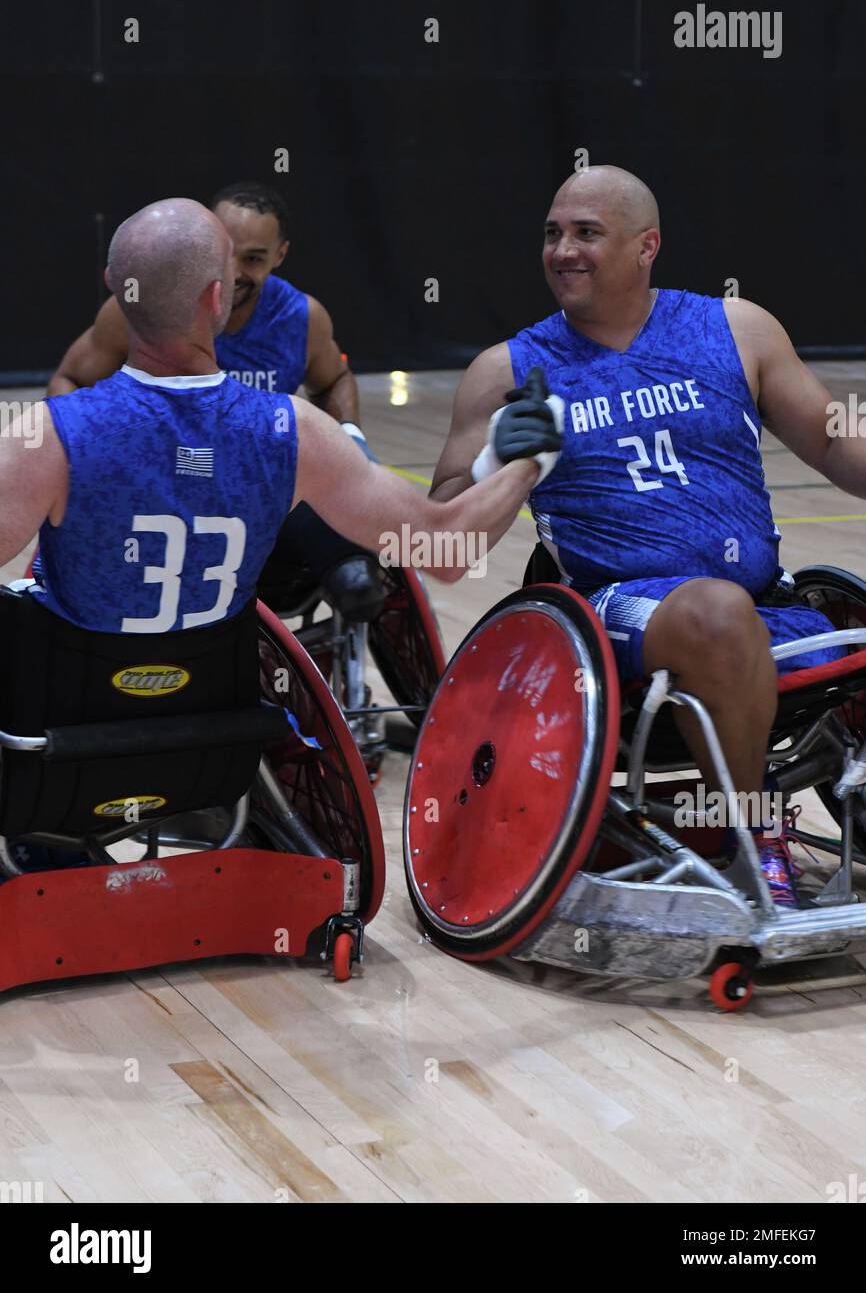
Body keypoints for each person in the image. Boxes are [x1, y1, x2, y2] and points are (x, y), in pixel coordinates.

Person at [429, 164, 857, 907]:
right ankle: (752, 833)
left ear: (646, 246)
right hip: (613, 611)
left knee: (739, 609)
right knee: (716, 613)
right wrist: (507, 464)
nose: (563, 250)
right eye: (553, 234)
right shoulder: (509, 371)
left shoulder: (736, 328)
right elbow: (443, 539)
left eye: (587, 233)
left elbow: (833, 444)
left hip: (761, 601)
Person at [2, 199, 555, 633]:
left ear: (115, 289)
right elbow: (446, 551)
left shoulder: (44, 433)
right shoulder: (295, 429)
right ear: (217, 296)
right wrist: (518, 460)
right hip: (217, 739)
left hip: (68, 740)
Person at [46, 182, 382, 618]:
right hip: (157, 489)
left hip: (261, 497)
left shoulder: (301, 318)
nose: (236, 271)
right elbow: (69, 379)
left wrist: (350, 434)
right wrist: (88, 462)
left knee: (357, 576)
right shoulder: (143, 304)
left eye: (254, 258)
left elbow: (334, 379)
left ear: (279, 256)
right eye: (228, 252)